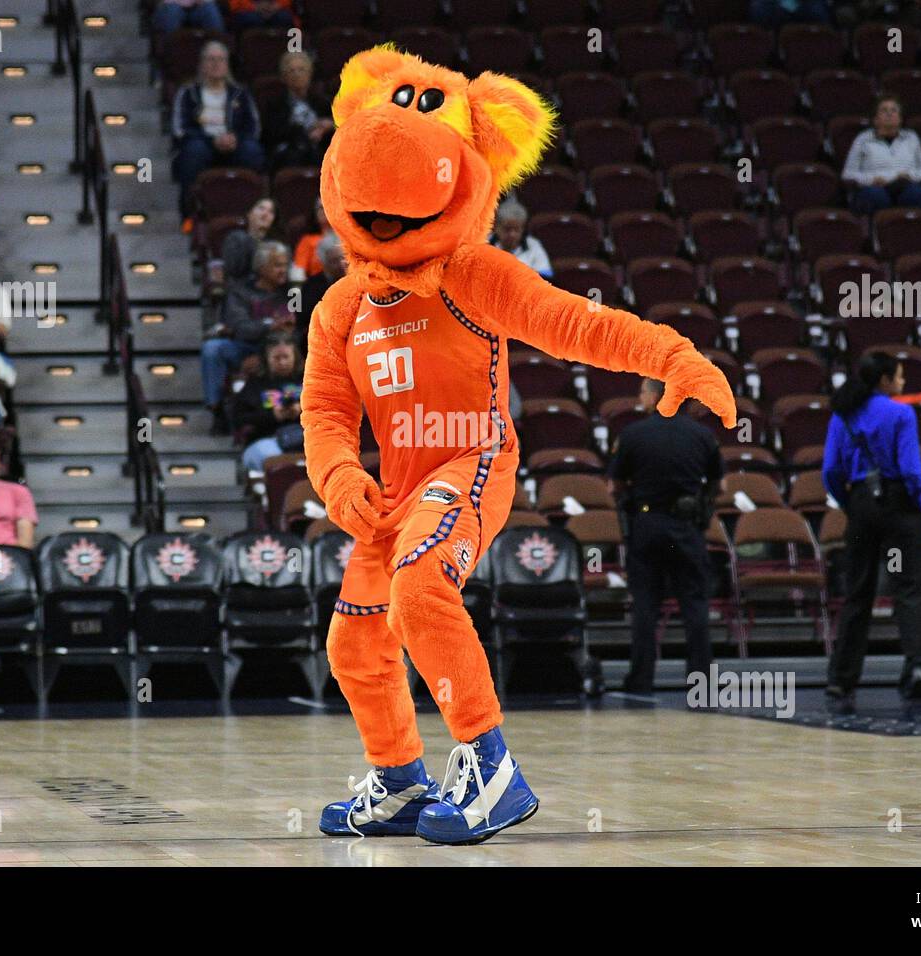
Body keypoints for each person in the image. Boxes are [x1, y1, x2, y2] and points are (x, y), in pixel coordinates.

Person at [303, 48, 735, 843]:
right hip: (392, 485)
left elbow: (578, 323)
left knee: (422, 587)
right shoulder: (338, 308)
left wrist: (672, 356)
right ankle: (400, 779)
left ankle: (489, 765)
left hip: (467, 462)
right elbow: (326, 410)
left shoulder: (472, 272)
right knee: (355, 638)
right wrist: (338, 477)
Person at [822, 351, 921, 711]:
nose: (902, 385)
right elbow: (912, 469)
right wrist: (917, 502)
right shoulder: (902, 413)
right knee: (910, 590)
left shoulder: (844, 413)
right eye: (899, 378)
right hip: (899, 504)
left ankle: (841, 680)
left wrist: (850, 502)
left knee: (857, 593)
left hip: (861, 505)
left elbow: (831, 471)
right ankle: (916, 667)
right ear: (885, 381)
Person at [608, 379, 723, 695]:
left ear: (658, 396)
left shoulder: (632, 435)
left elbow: (615, 485)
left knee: (645, 607)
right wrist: (702, 509)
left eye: (643, 391)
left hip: (646, 525)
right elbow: (717, 484)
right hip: (686, 527)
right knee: (695, 607)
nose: (639, 397)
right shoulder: (702, 435)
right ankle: (703, 683)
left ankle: (641, 679)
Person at [171, 41, 264, 216]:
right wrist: (211, 140)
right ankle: (190, 213)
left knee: (252, 151)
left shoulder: (240, 93)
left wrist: (235, 138)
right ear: (202, 64)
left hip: (234, 144)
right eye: (211, 59)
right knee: (193, 151)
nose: (216, 64)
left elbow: (253, 127)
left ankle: (251, 210)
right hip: (202, 143)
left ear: (227, 64)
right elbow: (180, 129)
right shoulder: (189, 93)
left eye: (220, 59)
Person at [202, 240, 293, 413]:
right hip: (246, 347)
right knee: (212, 348)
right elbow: (241, 327)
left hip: (283, 348)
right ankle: (217, 408)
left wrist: (266, 357)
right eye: (277, 266)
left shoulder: (292, 292)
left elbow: (296, 326)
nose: (283, 270)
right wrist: (269, 325)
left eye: (285, 265)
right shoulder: (241, 292)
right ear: (261, 268)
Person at [842, 95, 921, 214]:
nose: (889, 114)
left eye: (894, 110)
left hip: (904, 185)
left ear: (900, 118)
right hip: (875, 187)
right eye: (884, 110)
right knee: (876, 195)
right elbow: (848, 174)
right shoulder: (863, 139)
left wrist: (909, 176)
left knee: (916, 193)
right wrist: (871, 180)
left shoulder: (912, 137)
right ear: (875, 119)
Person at [231, 334, 303, 472]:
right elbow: (239, 419)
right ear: (267, 359)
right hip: (266, 440)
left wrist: (301, 411)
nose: (282, 362)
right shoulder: (255, 384)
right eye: (277, 358)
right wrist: (273, 416)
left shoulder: (310, 380)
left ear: (295, 357)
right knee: (274, 460)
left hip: (305, 439)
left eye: (286, 357)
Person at [261, 51, 334, 170]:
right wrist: (306, 133)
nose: (297, 75)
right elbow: (272, 134)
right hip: (290, 152)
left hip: (321, 148)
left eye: (301, 70)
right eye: (291, 71)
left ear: (310, 74)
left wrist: (328, 126)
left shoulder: (322, 102)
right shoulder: (275, 104)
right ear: (284, 77)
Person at [298, 232, 346, 358]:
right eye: (334, 261)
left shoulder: (359, 279)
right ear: (324, 264)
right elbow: (301, 316)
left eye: (343, 257)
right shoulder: (311, 286)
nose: (341, 265)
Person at [216, 196, 280, 284]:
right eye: (261, 208)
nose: (265, 214)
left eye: (271, 212)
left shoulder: (277, 246)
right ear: (249, 214)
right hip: (241, 293)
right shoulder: (235, 239)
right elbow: (233, 270)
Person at [490, 198, 552, 278]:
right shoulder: (484, 244)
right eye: (507, 229)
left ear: (522, 228)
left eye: (516, 229)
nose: (512, 234)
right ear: (496, 228)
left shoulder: (533, 245)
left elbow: (546, 276)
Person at [290, 197, 335, 280]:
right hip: (319, 287)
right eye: (320, 208)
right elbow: (298, 272)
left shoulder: (347, 237)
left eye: (327, 205)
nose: (323, 210)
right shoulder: (307, 241)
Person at [151, 0, 225, 34]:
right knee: (172, 11)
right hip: (171, 5)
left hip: (199, 7)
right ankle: (171, 55)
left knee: (210, 9)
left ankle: (218, 51)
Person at [226, 0, 296, 29]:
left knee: (284, 17)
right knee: (251, 19)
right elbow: (234, 4)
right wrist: (254, 7)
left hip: (277, 9)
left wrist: (278, 5)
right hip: (247, 10)